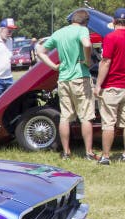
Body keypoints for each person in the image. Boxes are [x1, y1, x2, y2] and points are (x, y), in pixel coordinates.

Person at [36, 10, 97, 161]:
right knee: (86, 116)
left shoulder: (59, 33)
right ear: (86, 22)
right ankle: (89, 152)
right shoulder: (82, 30)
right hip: (80, 77)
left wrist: (54, 66)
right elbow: (87, 44)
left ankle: (66, 152)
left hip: (63, 79)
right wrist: (88, 61)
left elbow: (40, 51)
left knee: (65, 117)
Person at [93, 8, 125, 165]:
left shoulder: (110, 37)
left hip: (112, 86)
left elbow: (105, 62)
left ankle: (105, 156)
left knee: (108, 123)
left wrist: (98, 84)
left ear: (113, 21)